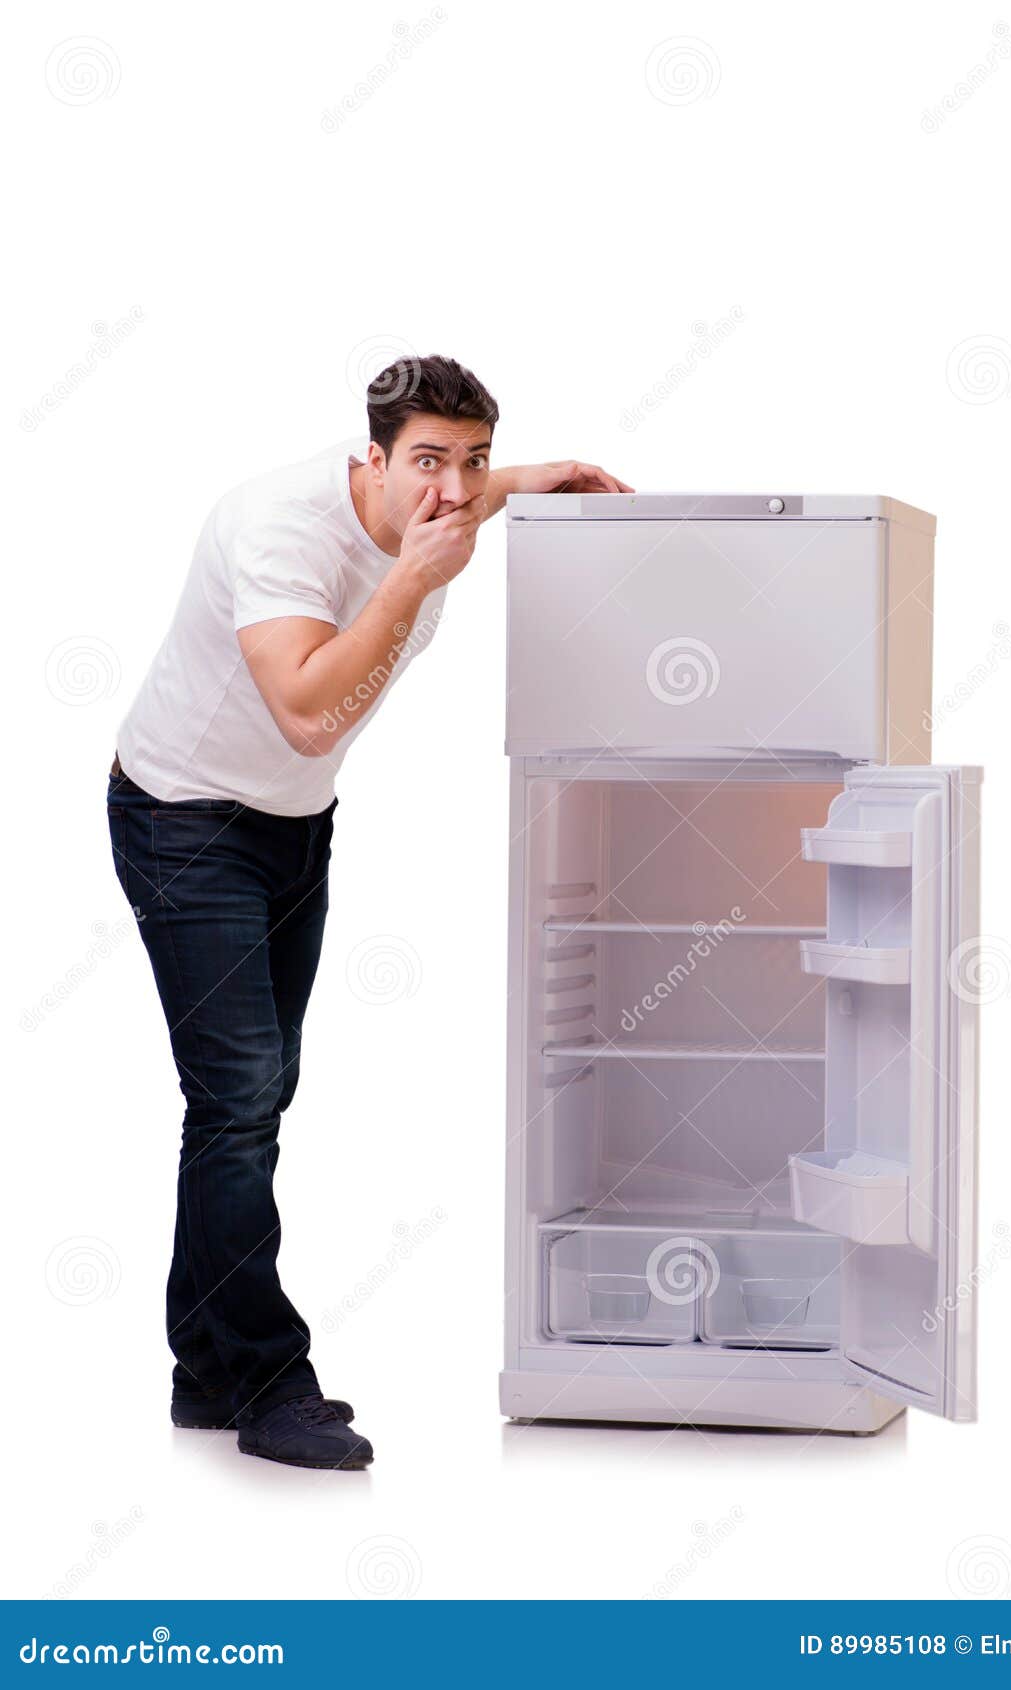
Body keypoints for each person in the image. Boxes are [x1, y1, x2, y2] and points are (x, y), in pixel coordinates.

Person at [105, 353, 633, 1469]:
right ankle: (266, 1381)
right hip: (183, 818)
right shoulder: (280, 531)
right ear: (371, 459)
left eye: (473, 463)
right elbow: (304, 711)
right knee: (239, 1095)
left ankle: (203, 1362)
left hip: (295, 823)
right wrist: (408, 580)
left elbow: (467, 485)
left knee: (256, 1093)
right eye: (428, 464)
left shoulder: (445, 490)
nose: (453, 493)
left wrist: (542, 477)